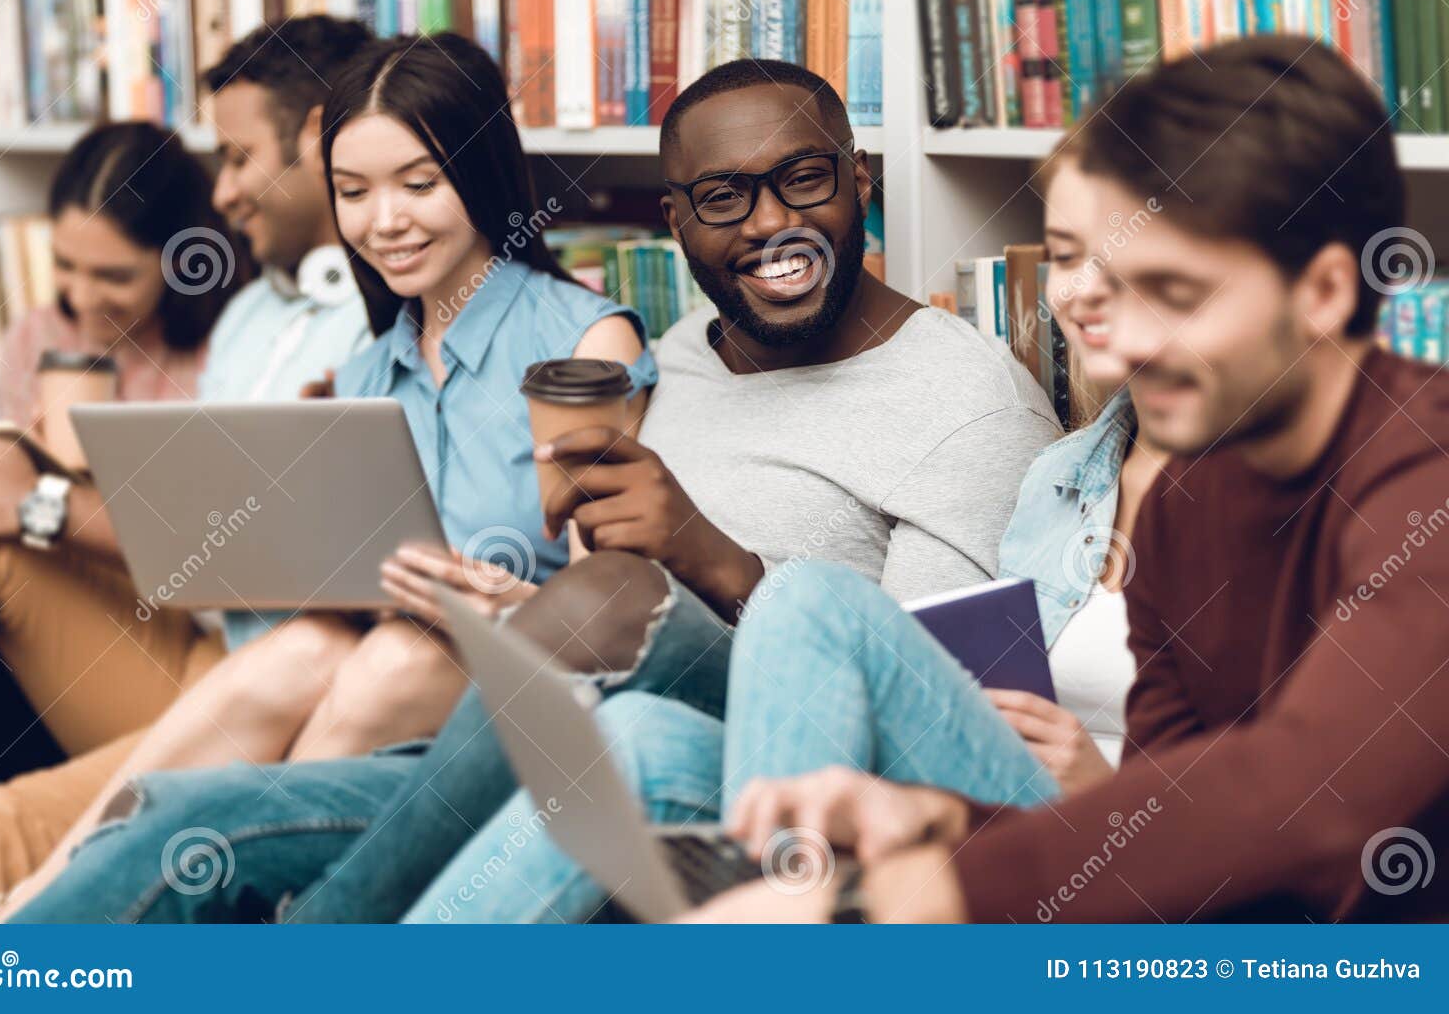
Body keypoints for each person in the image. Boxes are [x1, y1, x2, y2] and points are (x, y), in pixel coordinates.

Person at [11, 57, 1062, 924]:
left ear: (861, 180)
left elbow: (934, 705)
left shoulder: (961, 397)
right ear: (675, 220)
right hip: (560, 709)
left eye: (803, 181)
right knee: (180, 815)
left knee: (606, 658)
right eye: (722, 198)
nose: (766, 227)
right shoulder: (683, 354)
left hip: (761, 766)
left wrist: (709, 555)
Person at [686, 35, 1449, 923]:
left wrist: (938, 886)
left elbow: (1322, 796)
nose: (1110, 337)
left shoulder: (1422, 481)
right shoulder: (1184, 499)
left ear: (1320, 292)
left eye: (1171, 291)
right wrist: (947, 820)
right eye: (1089, 271)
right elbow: (1160, 841)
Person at [399, 138, 1170, 923]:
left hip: (1123, 857)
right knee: (631, 734)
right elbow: (971, 680)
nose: (1080, 295)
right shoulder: (1069, 476)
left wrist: (1111, 794)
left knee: (786, 597)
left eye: (1134, 262)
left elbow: (1266, 805)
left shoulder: (1253, 502)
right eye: (1068, 255)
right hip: (974, 800)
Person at [0, 31, 654, 921]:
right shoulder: (369, 370)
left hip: (530, 674)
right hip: (386, 653)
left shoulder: (583, 341)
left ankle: (245, 913)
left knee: (387, 660)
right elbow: (352, 566)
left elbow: (615, 600)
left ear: (484, 173)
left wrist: (493, 603)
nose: (385, 221)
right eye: (353, 192)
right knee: (300, 650)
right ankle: (39, 905)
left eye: (419, 183)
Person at [0, 15, 377, 917]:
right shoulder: (255, 315)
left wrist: (45, 506)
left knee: (3, 823)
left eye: (240, 157)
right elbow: (204, 525)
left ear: (319, 137)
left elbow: (276, 543)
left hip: (295, 680)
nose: (227, 189)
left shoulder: (379, 319)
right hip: (199, 640)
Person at [0, 121, 250, 429]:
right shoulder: (33, 339)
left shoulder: (231, 346)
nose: (82, 300)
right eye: (64, 264)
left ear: (183, 260)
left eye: (114, 277)